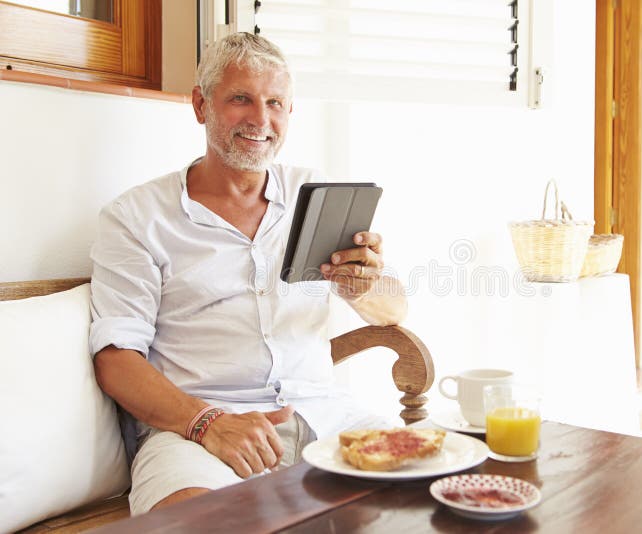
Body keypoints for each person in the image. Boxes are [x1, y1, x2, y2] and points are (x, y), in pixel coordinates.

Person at [89, 32, 407, 515]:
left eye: (275, 102)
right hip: (199, 435)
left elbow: (394, 309)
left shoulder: (316, 194)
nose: (261, 120)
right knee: (196, 522)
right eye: (241, 99)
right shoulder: (137, 218)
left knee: (433, 491)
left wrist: (364, 288)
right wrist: (207, 423)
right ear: (201, 105)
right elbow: (116, 359)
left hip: (326, 416)